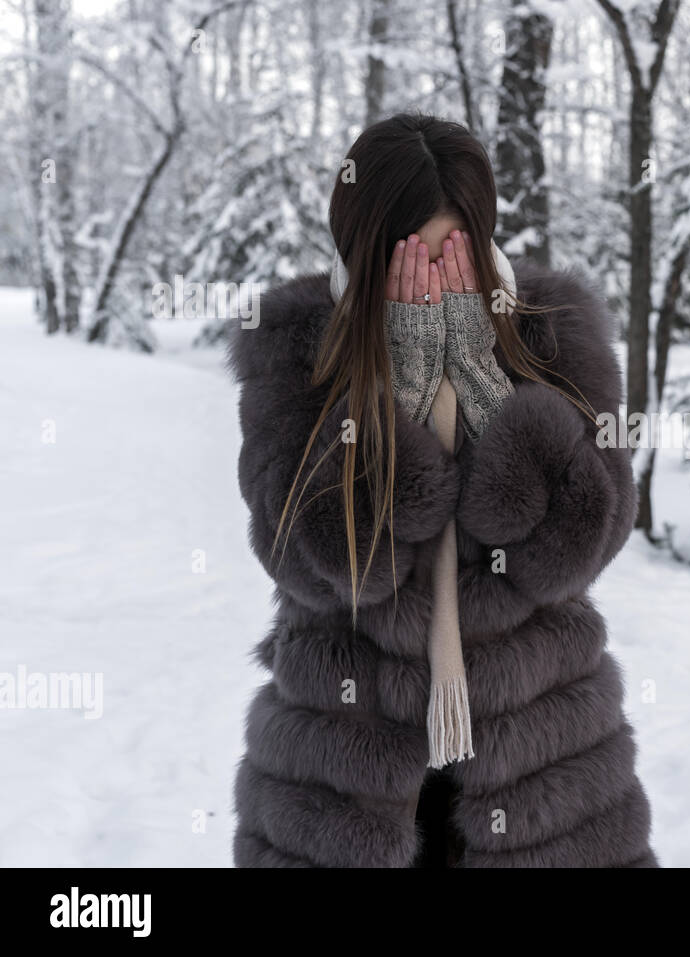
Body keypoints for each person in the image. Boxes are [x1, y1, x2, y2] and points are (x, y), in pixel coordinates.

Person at [226, 113, 658, 867]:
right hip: (343, 766)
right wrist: (403, 396)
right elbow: (301, 555)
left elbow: (584, 540)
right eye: (406, 265)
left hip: (541, 762)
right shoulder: (298, 348)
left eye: (452, 254)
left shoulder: (553, 333)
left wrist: (491, 391)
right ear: (360, 249)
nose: (429, 287)